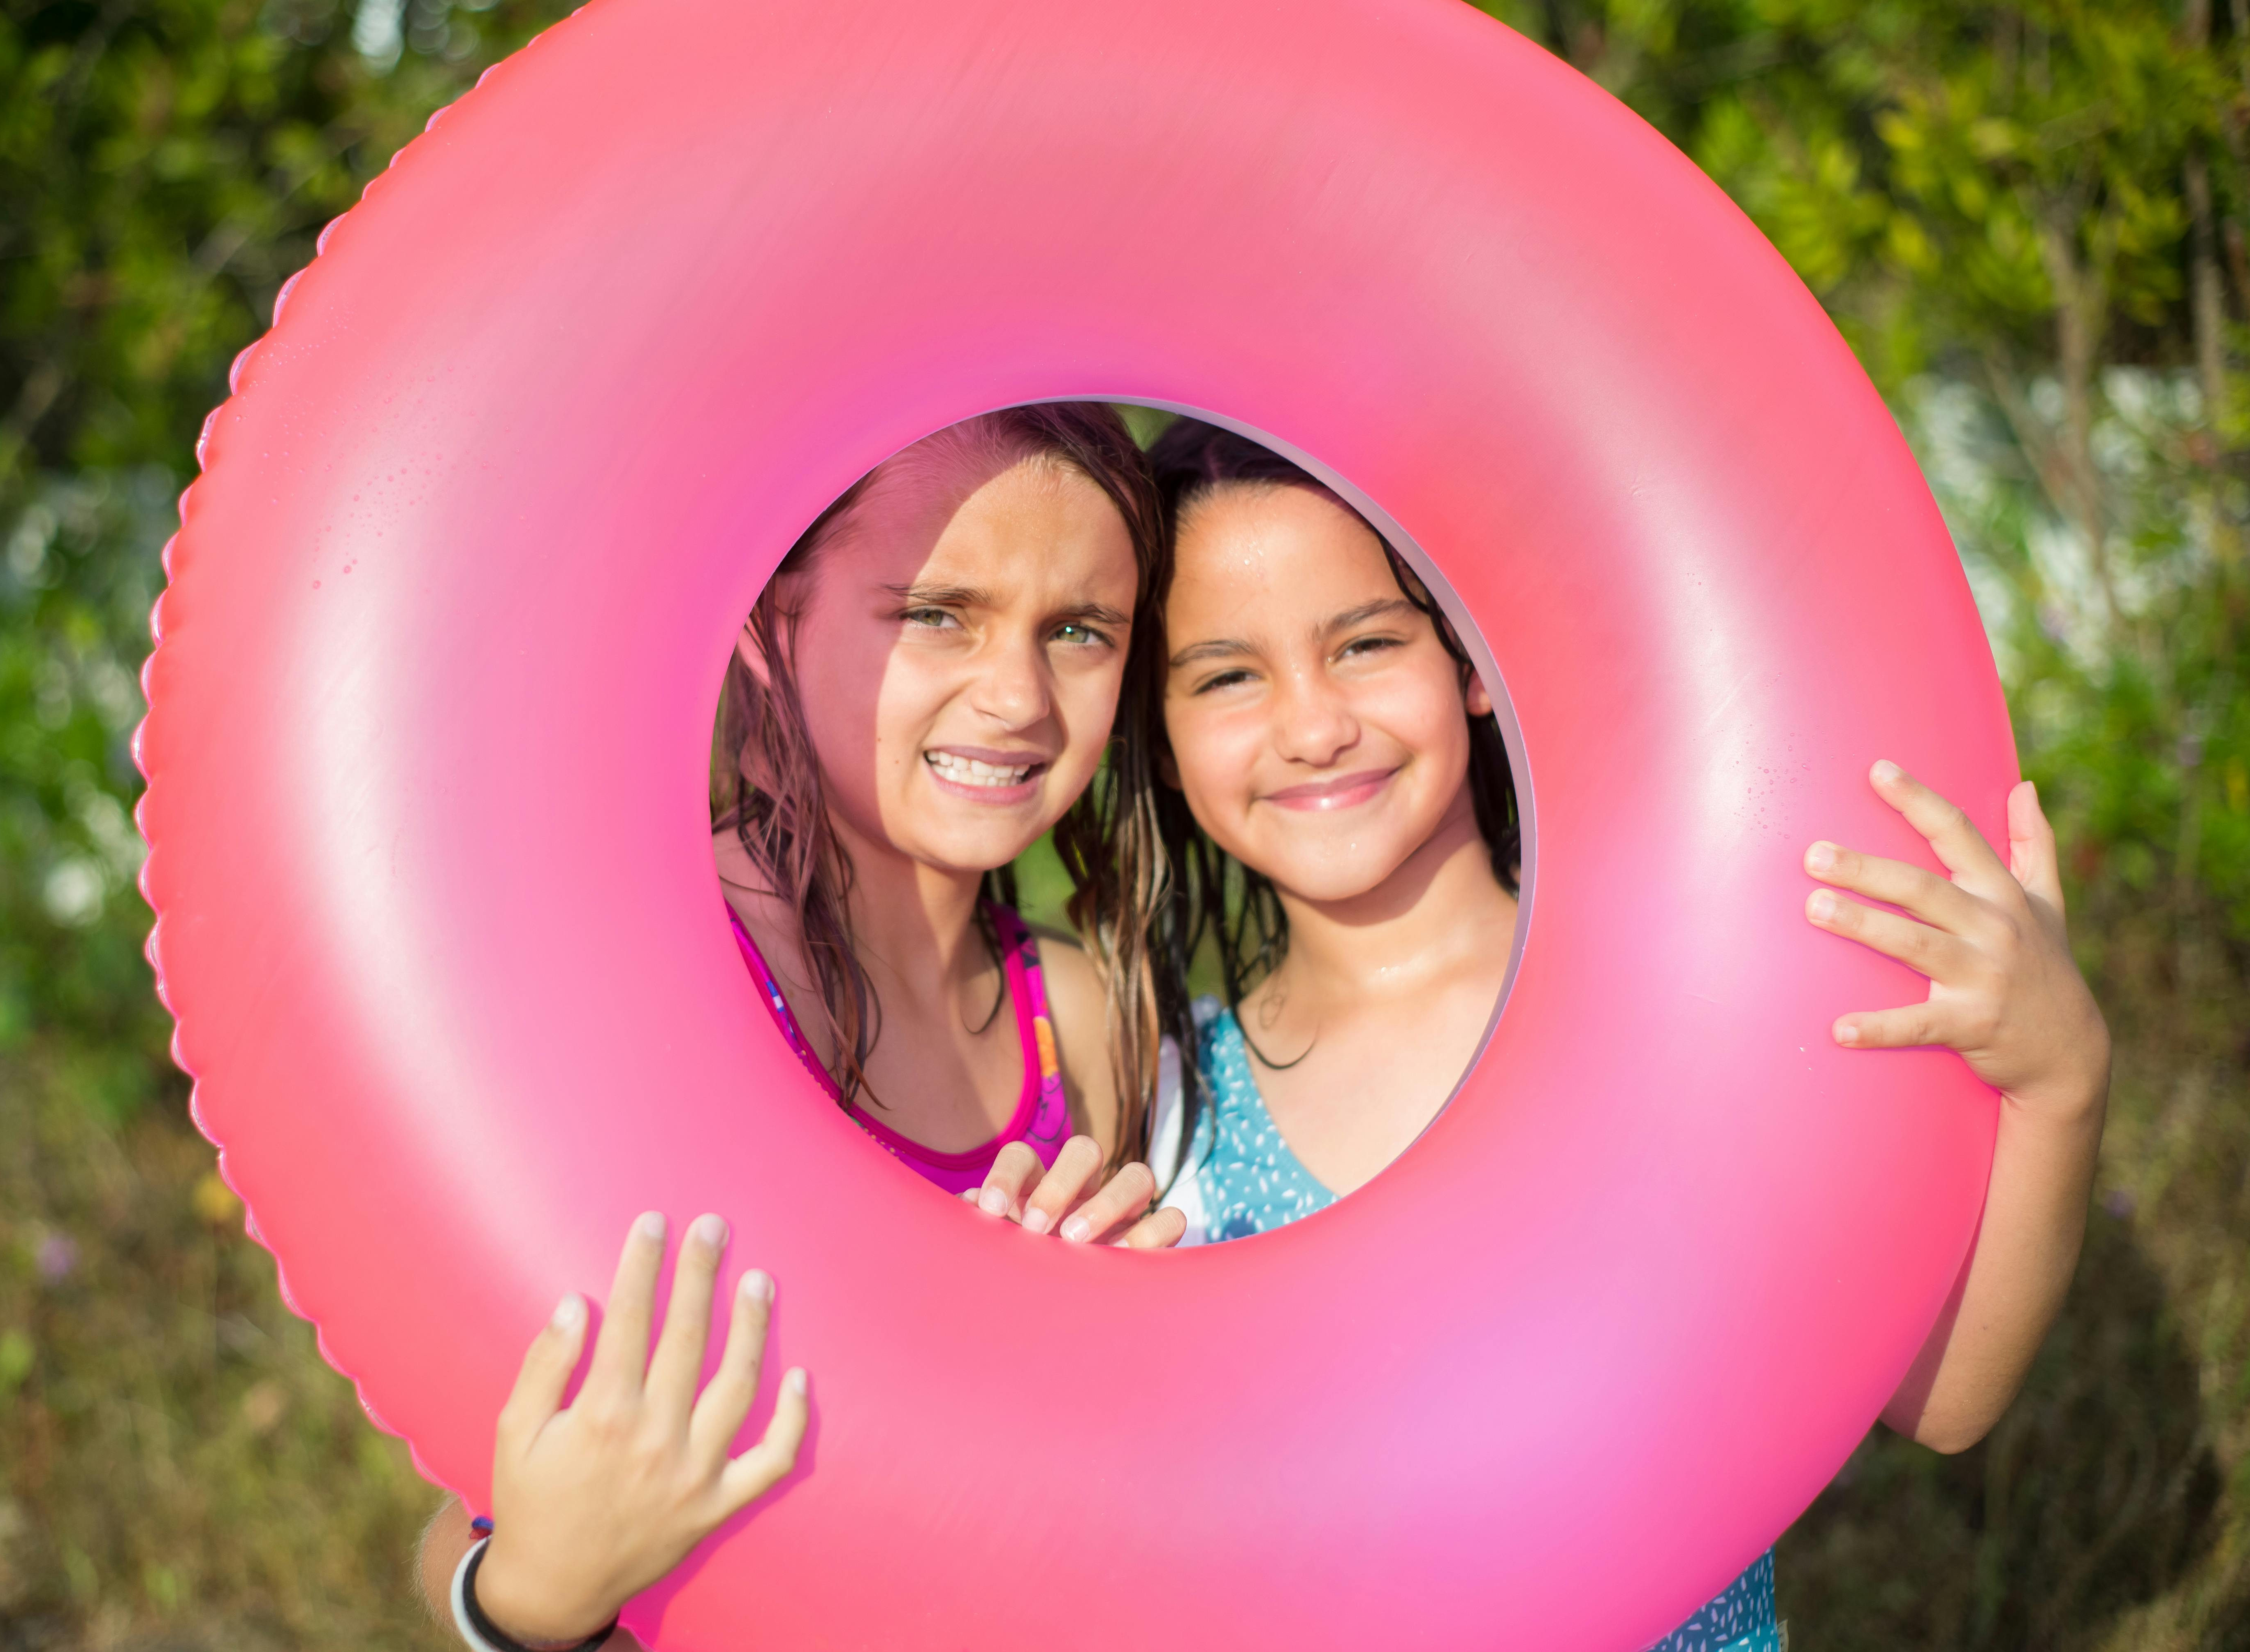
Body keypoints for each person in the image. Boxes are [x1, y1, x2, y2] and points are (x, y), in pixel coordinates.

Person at [984, 418, 2111, 1649]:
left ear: (1469, 659)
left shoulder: (1682, 1018)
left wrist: (2063, 1079)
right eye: (1228, 676)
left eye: (1364, 644)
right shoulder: (1168, 1102)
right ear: (1167, 736)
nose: (1313, 726)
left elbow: (1940, 1396)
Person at [413, 405, 1191, 1648]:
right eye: (938, 615)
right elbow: (487, 1496)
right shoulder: (663, 980)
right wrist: (525, 1608)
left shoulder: (1086, 1017)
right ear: (775, 623)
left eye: (1078, 632)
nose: (1016, 696)